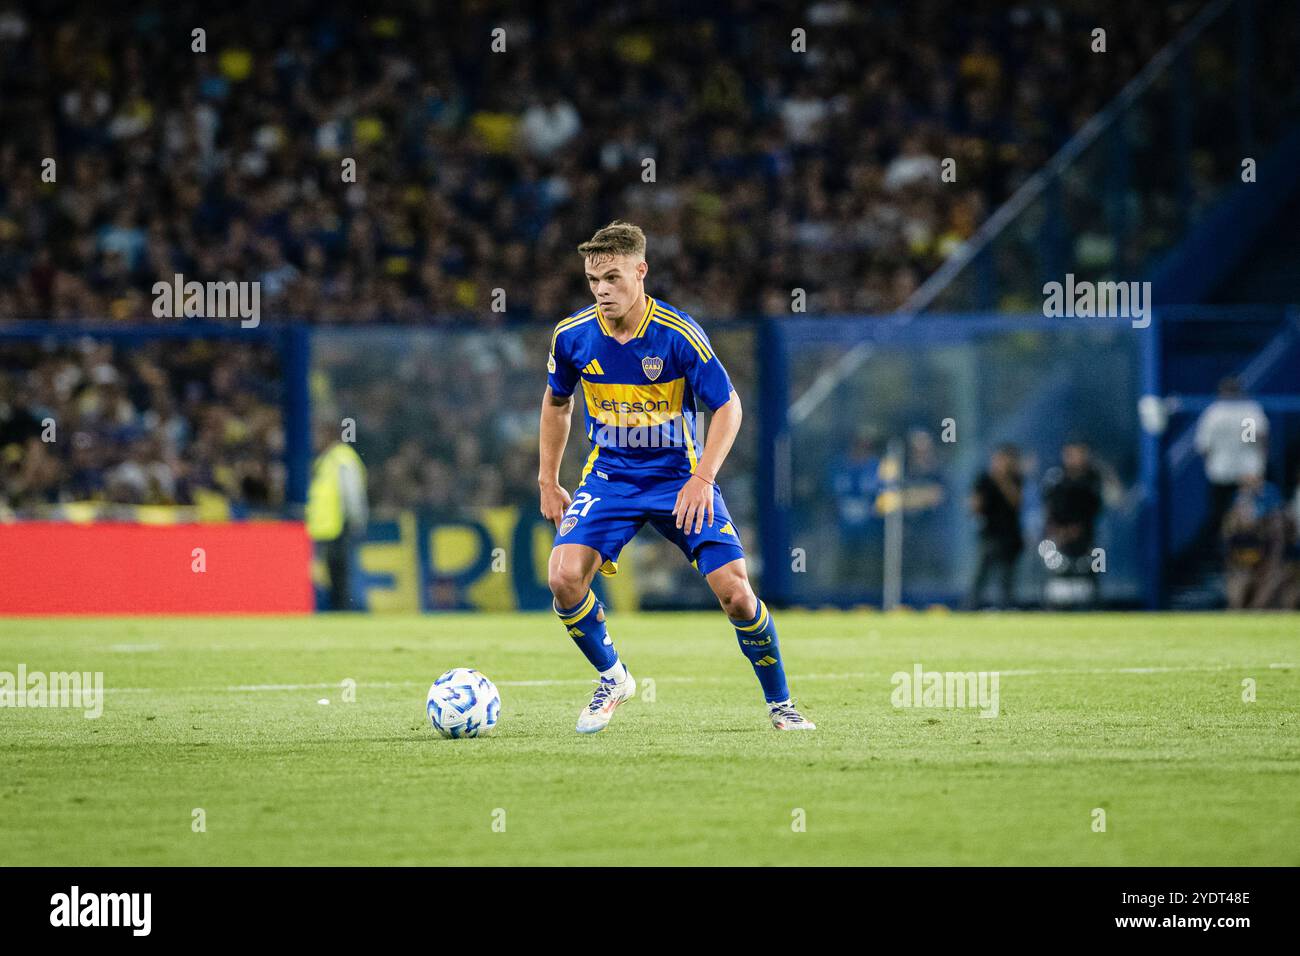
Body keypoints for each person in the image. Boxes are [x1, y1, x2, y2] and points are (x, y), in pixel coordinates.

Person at [538, 220, 813, 733]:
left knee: (735, 592)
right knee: (563, 577)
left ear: (641, 272)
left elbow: (728, 408)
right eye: (593, 280)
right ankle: (613, 677)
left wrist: (704, 477)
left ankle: (782, 705)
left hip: (679, 478)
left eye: (613, 278)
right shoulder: (573, 336)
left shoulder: (678, 334)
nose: (602, 290)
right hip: (610, 479)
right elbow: (557, 403)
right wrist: (547, 480)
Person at [1195, 377, 1269, 551]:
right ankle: (1230, 552)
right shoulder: (1247, 410)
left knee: (1242, 516)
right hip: (1242, 473)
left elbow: (1204, 448)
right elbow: (1253, 440)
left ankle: (1242, 553)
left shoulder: (1214, 413)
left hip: (1229, 472)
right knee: (1235, 516)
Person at [306, 420, 369, 611]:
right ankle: (338, 610)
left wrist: (356, 519)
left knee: (340, 575)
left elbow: (352, 492)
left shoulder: (342, 458)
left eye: (319, 434)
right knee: (333, 575)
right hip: (326, 528)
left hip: (340, 526)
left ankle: (343, 611)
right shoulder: (325, 460)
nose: (315, 439)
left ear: (330, 435)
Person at [1041, 441, 1104, 607]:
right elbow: (1048, 507)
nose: (1077, 458)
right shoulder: (1054, 477)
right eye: (1073, 454)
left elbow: (1096, 507)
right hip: (1058, 539)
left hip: (1087, 539)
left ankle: (1094, 609)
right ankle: (1052, 609)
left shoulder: (1093, 477)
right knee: (1057, 578)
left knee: (1092, 574)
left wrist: (1077, 529)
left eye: (1081, 454)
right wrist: (1058, 531)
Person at [966, 444, 1023, 609]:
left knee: (1006, 578)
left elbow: (1016, 502)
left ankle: (1006, 608)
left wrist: (1002, 480)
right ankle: (970, 608)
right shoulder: (984, 479)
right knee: (980, 577)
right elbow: (974, 506)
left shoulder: (1015, 478)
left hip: (1010, 537)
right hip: (989, 535)